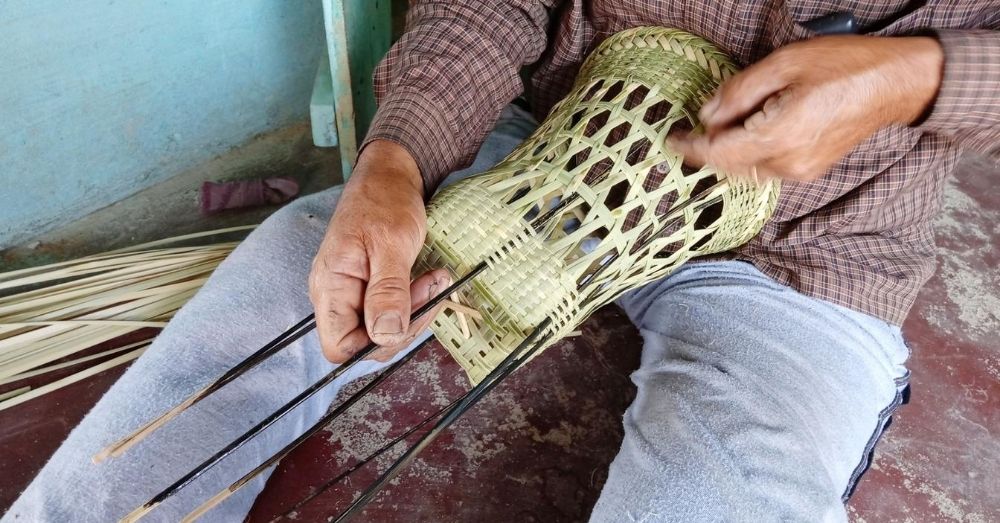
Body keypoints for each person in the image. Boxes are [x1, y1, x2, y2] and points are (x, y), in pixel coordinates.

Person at [6, 2, 998, 522]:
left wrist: (920, 76)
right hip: (550, 149)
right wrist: (398, 159)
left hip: (814, 241)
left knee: (724, 495)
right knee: (294, 297)